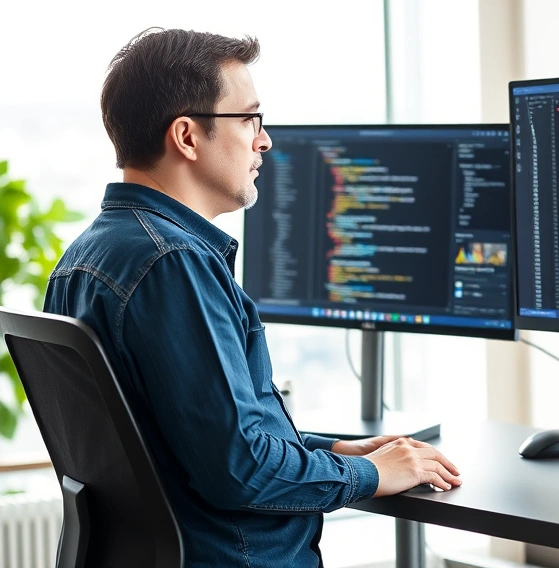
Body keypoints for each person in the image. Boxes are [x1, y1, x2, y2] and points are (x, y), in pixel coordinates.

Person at [43, 28, 461, 567]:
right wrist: (374, 473)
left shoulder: (85, 257)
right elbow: (240, 469)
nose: (264, 141)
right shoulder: (174, 264)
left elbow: (183, 439)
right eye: (250, 119)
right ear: (188, 137)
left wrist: (331, 450)